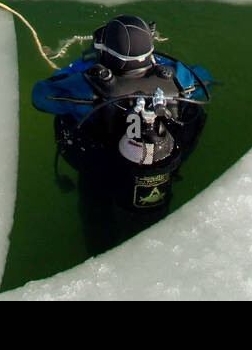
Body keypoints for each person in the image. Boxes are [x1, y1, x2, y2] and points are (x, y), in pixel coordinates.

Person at [31, 15, 212, 211]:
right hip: (157, 165)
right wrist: (158, 67)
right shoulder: (178, 79)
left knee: (96, 210)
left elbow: (41, 96)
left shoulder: (86, 89)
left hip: (102, 168)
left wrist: (85, 68)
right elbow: (205, 79)